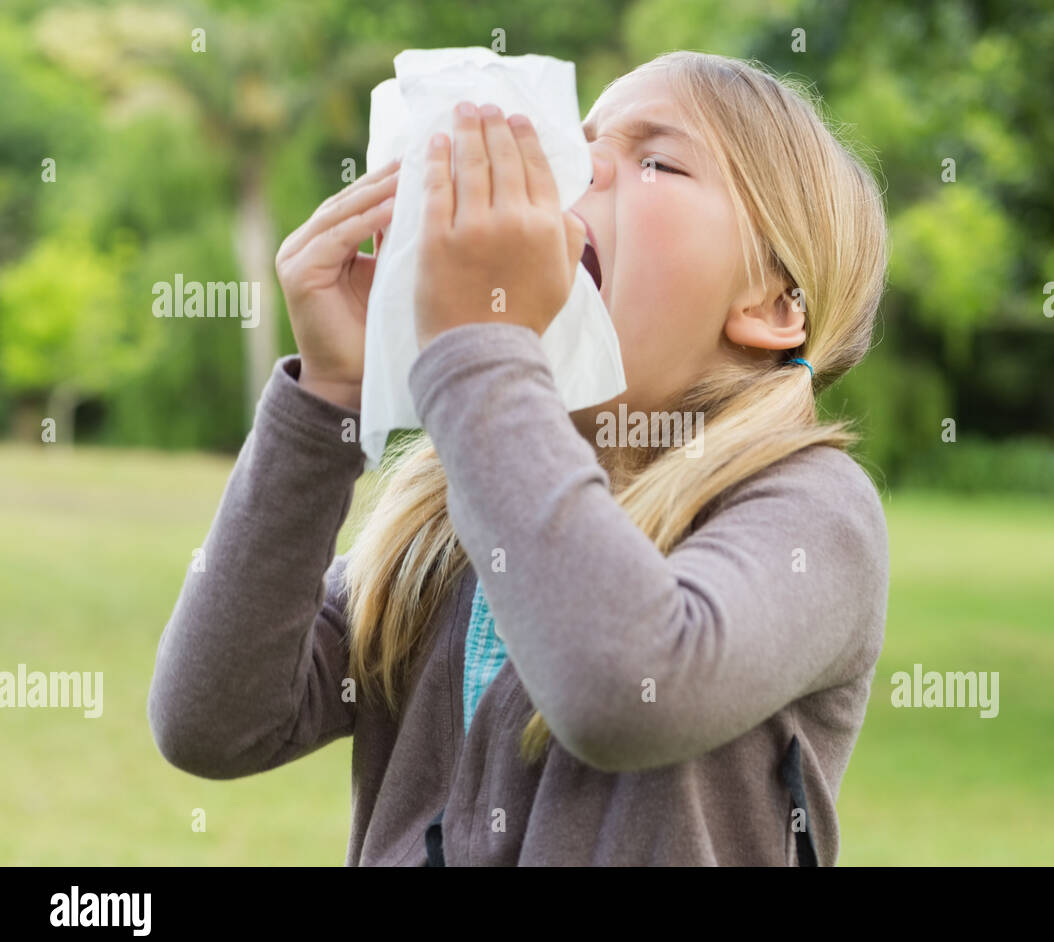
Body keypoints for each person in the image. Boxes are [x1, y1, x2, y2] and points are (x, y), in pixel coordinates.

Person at [147, 49, 890, 866]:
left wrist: (479, 348)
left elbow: (624, 688)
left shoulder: (814, 511)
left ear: (773, 304)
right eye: (580, 140)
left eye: (655, 160)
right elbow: (214, 720)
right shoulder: (454, 510)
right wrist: (331, 392)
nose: (578, 163)